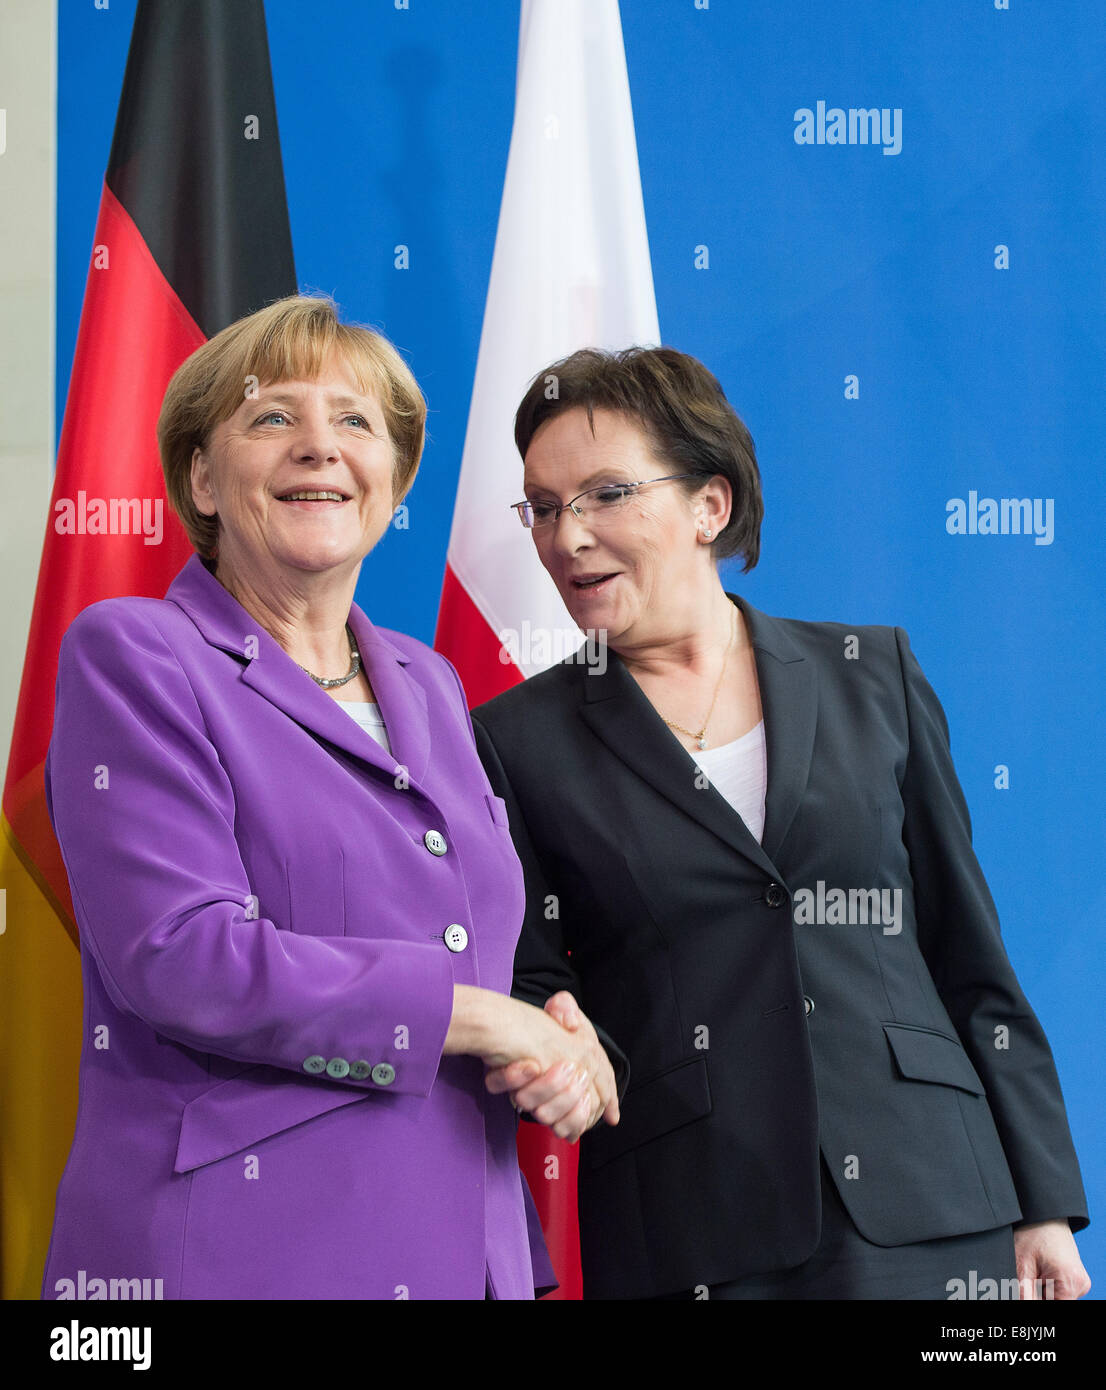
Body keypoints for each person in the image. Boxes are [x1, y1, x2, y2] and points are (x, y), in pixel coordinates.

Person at [474, 345, 1091, 1300]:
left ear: (709, 506)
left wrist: (1043, 1200)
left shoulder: (870, 673)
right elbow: (535, 983)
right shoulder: (514, 740)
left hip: (934, 1206)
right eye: (545, 509)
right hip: (693, 1225)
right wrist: (557, 1032)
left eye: (604, 495)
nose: (568, 537)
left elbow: (969, 954)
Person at [41, 295, 617, 1301]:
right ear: (201, 479)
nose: (319, 446)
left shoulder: (428, 681)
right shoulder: (137, 655)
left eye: (354, 422)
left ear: (390, 484)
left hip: (463, 1247)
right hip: (240, 1252)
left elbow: (458, 942)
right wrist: (481, 1018)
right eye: (272, 418)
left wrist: (549, 1035)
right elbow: (183, 956)